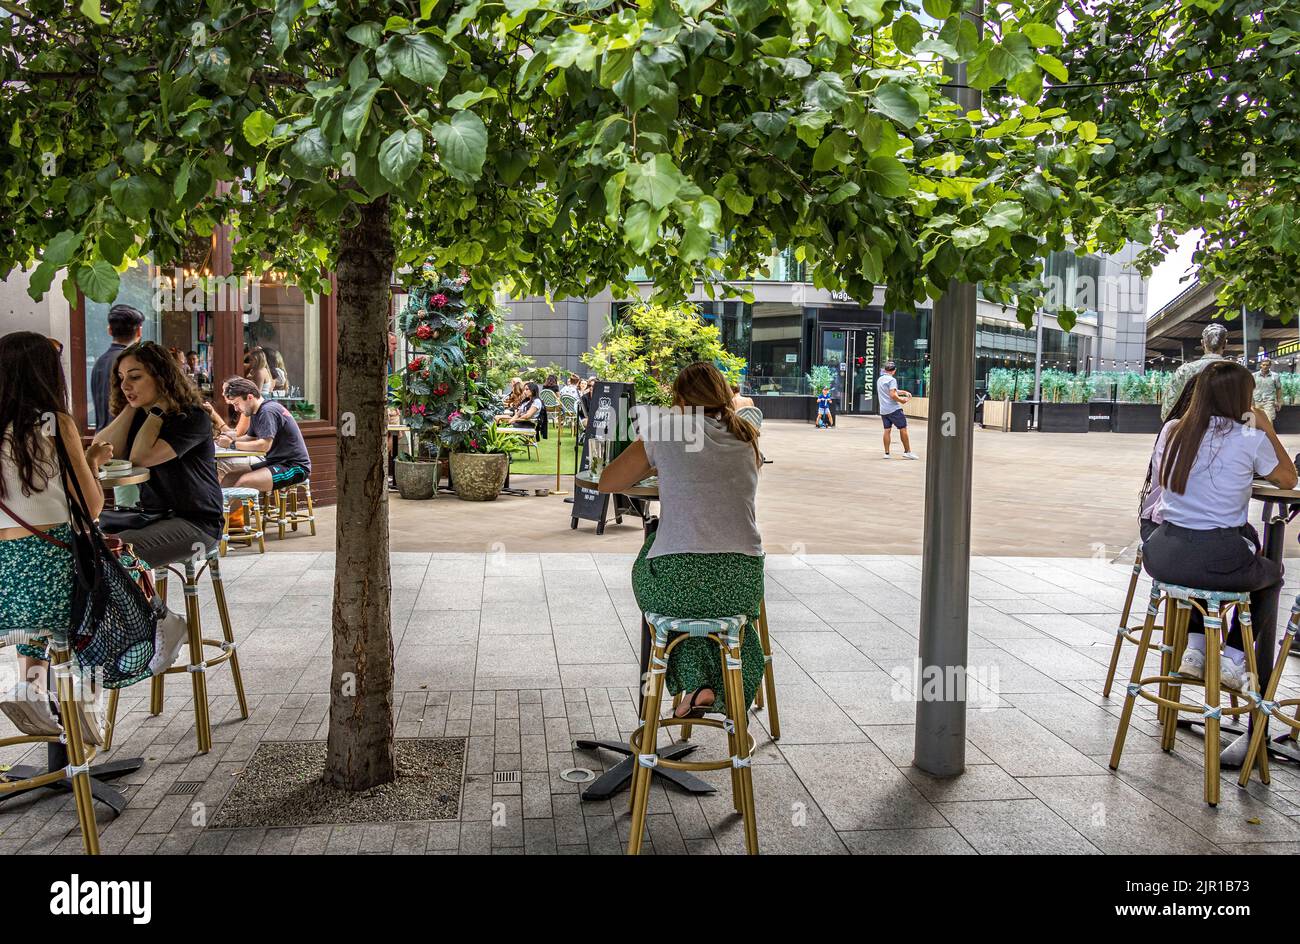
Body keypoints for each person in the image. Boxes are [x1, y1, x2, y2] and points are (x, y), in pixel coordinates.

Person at [0, 333, 186, 739]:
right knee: (109, 576)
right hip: (53, 583)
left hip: (5, 595)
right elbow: (91, 504)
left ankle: (30, 687)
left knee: (38, 614)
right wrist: (90, 460)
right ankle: (84, 701)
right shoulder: (54, 422)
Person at [599, 361, 765, 720]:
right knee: (706, 610)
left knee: (665, 584)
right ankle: (706, 687)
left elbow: (608, 482)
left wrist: (661, 465)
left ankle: (695, 683)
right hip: (742, 581)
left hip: (679, 581)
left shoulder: (665, 430)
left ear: (678, 397)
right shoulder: (747, 437)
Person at [1143, 361, 1297, 688]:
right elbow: (1287, 479)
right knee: (1269, 575)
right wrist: (1265, 426)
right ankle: (1233, 657)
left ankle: (1195, 649)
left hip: (1162, 554)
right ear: (1241, 398)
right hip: (1214, 559)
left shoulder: (1173, 430)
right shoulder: (1249, 437)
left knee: (1232, 546)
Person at [93, 341, 226, 568]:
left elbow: (141, 458)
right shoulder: (138, 416)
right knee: (84, 545)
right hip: (151, 517)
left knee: (111, 555)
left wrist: (156, 410)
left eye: (135, 377)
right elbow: (102, 450)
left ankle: (150, 606)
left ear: (161, 377)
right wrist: (130, 406)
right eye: (121, 377)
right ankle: (142, 603)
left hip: (198, 524)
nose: (125, 385)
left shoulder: (192, 417)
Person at [217, 377, 312, 492]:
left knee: (244, 482)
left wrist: (231, 444)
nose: (236, 409)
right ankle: (223, 510)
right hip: (275, 462)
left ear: (250, 397)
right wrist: (227, 439)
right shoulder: (256, 412)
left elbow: (264, 445)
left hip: (294, 467)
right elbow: (249, 438)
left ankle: (232, 510)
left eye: (236, 404)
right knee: (229, 478)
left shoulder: (267, 411)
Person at [90, 304, 143, 431]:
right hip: (123, 442)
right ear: (139, 331)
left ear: (109, 330)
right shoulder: (133, 362)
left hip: (101, 439)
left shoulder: (99, 362)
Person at [1161, 323, 1228, 421]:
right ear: (1225, 344)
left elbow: (1168, 410)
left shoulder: (1185, 371)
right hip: (1229, 432)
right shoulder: (1240, 372)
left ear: (1202, 343)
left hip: (1193, 430)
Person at [877, 360, 918, 459]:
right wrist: (901, 400)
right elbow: (892, 394)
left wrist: (903, 392)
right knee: (903, 428)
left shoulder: (880, 379)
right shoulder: (892, 380)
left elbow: (893, 391)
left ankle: (887, 454)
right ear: (894, 370)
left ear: (886, 370)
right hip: (894, 409)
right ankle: (907, 452)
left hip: (883, 410)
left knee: (887, 430)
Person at [1253, 353, 1280, 422]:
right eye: (1263, 365)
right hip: (1257, 401)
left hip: (1269, 402)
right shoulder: (1254, 376)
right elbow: (1250, 389)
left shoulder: (1275, 376)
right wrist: (1250, 402)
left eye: (1267, 365)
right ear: (1260, 365)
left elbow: (1278, 389)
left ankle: (1269, 433)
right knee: (1258, 422)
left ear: (1270, 366)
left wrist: (1278, 401)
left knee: (1269, 421)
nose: (1265, 366)